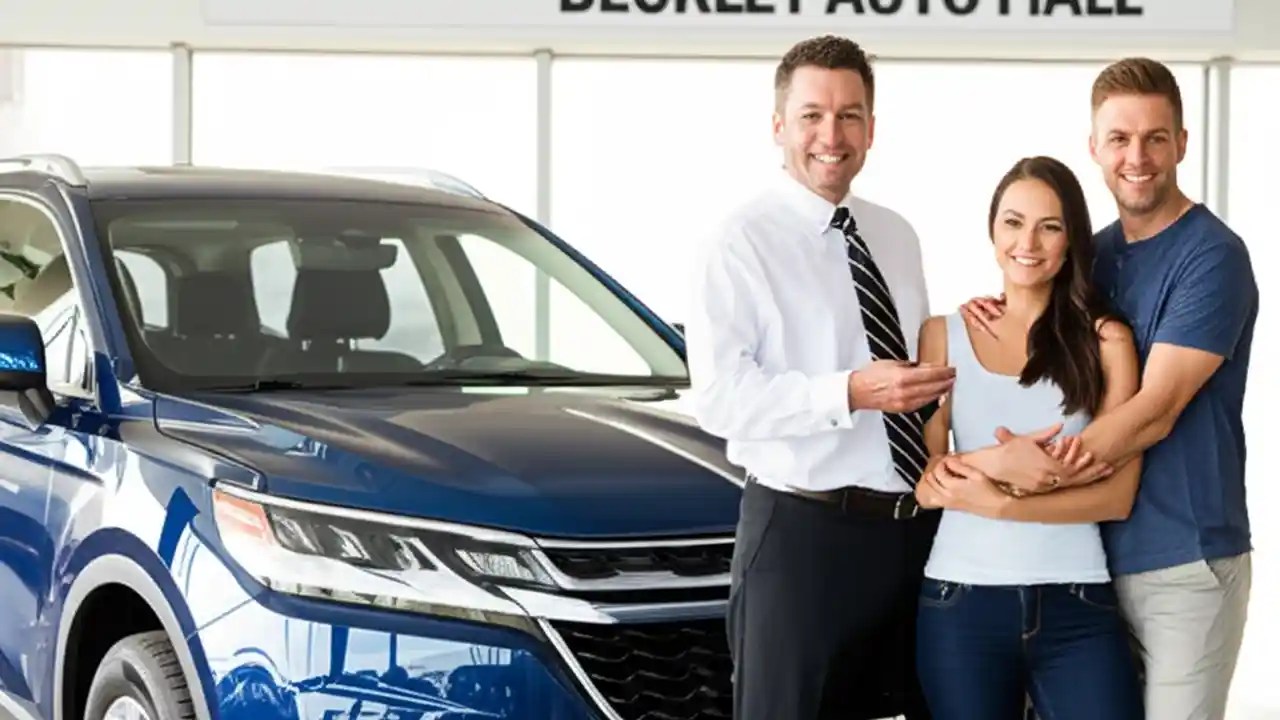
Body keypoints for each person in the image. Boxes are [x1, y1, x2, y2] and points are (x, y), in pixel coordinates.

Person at [959, 57, 1258, 720]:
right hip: (1087, 566)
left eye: (1155, 138)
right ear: (1094, 147)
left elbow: (1155, 412)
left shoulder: (1212, 255)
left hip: (1184, 562)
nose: (1137, 158)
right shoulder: (1089, 256)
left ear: (1182, 144)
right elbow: (1032, 325)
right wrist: (991, 311)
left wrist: (1025, 476)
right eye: (1119, 139)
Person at [685, 34, 954, 720]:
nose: (831, 136)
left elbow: (915, 366)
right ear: (779, 126)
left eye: (849, 116)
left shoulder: (896, 235)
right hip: (803, 537)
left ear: (871, 128)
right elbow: (718, 397)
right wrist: (849, 392)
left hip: (912, 533)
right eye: (812, 115)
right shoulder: (738, 242)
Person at [908, 155, 1144, 719]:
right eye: (1013, 222)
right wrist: (1001, 463)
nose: (1028, 243)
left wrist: (1000, 502)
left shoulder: (1107, 341)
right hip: (960, 602)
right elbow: (929, 484)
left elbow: (1117, 497)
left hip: (1077, 600)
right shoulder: (942, 336)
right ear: (992, 230)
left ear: (1071, 239)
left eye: (1049, 226)